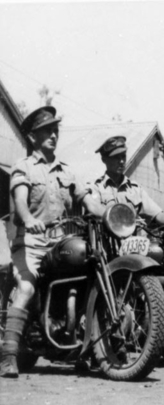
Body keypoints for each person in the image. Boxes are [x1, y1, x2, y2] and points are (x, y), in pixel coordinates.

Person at [1, 107, 104, 378]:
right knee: (25, 288)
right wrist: (26, 218)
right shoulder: (23, 167)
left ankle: (90, 346)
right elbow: (21, 202)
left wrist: (113, 215)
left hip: (61, 242)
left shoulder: (68, 172)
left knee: (90, 275)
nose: (53, 135)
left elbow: (88, 201)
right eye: (47, 130)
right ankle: (9, 355)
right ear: (33, 137)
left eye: (56, 130)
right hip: (32, 243)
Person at [86, 136, 164, 226]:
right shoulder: (95, 188)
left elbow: (156, 214)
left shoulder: (134, 189)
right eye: (116, 157)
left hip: (133, 239)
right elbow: (93, 217)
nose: (121, 161)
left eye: (123, 156)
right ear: (104, 160)